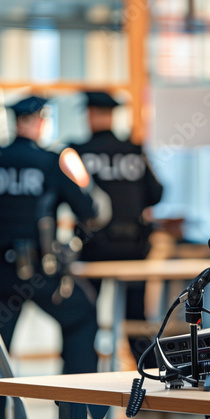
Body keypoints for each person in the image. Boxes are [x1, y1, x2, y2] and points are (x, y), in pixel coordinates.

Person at [0, 96, 104, 419]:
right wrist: (81, 176)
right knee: (82, 318)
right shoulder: (51, 161)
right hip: (39, 275)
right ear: (41, 121)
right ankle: (76, 414)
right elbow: (92, 211)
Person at [71, 91, 163, 354]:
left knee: (85, 318)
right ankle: (150, 380)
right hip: (133, 247)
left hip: (93, 247)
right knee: (137, 321)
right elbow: (156, 194)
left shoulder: (79, 154)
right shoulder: (133, 151)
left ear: (89, 115)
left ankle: (82, 382)